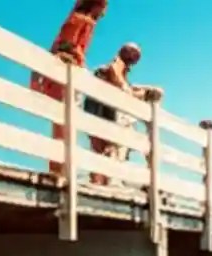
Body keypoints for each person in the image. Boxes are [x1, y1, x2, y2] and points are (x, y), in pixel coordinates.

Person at [29, 0, 108, 174]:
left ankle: (60, 169)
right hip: (65, 77)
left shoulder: (84, 22)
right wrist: (75, 59)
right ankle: (59, 170)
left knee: (65, 126)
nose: (102, 14)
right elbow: (63, 46)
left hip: (70, 76)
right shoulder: (80, 20)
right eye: (101, 8)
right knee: (63, 127)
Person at [85, 42, 164, 185]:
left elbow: (124, 86)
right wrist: (139, 93)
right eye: (131, 54)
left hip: (109, 117)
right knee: (109, 150)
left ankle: (107, 181)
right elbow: (116, 78)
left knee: (117, 149)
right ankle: (102, 182)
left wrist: (142, 92)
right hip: (103, 116)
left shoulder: (121, 72)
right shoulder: (114, 66)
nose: (132, 59)